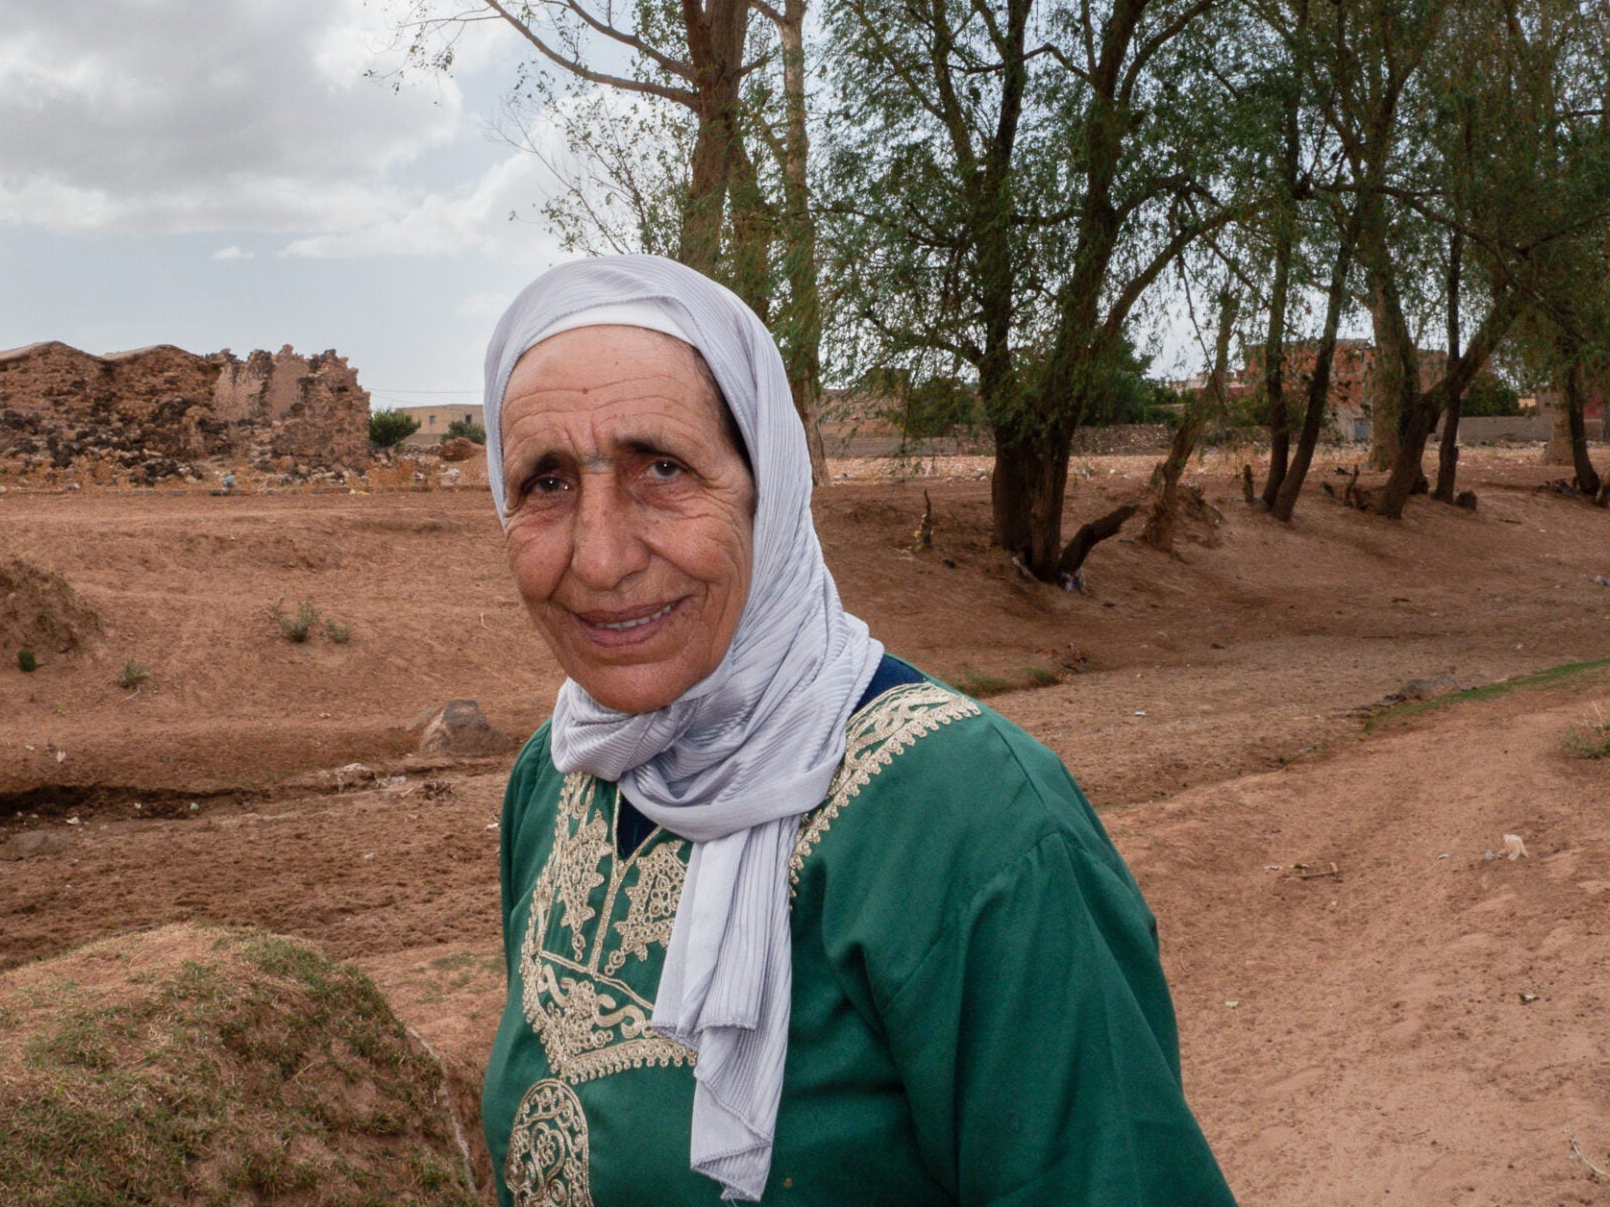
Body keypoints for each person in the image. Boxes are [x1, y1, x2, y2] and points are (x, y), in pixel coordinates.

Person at [480, 255, 1236, 1206]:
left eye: (662, 469)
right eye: (545, 484)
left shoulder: (979, 824)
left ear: (770, 485)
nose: (598, 556)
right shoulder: (554, 780)